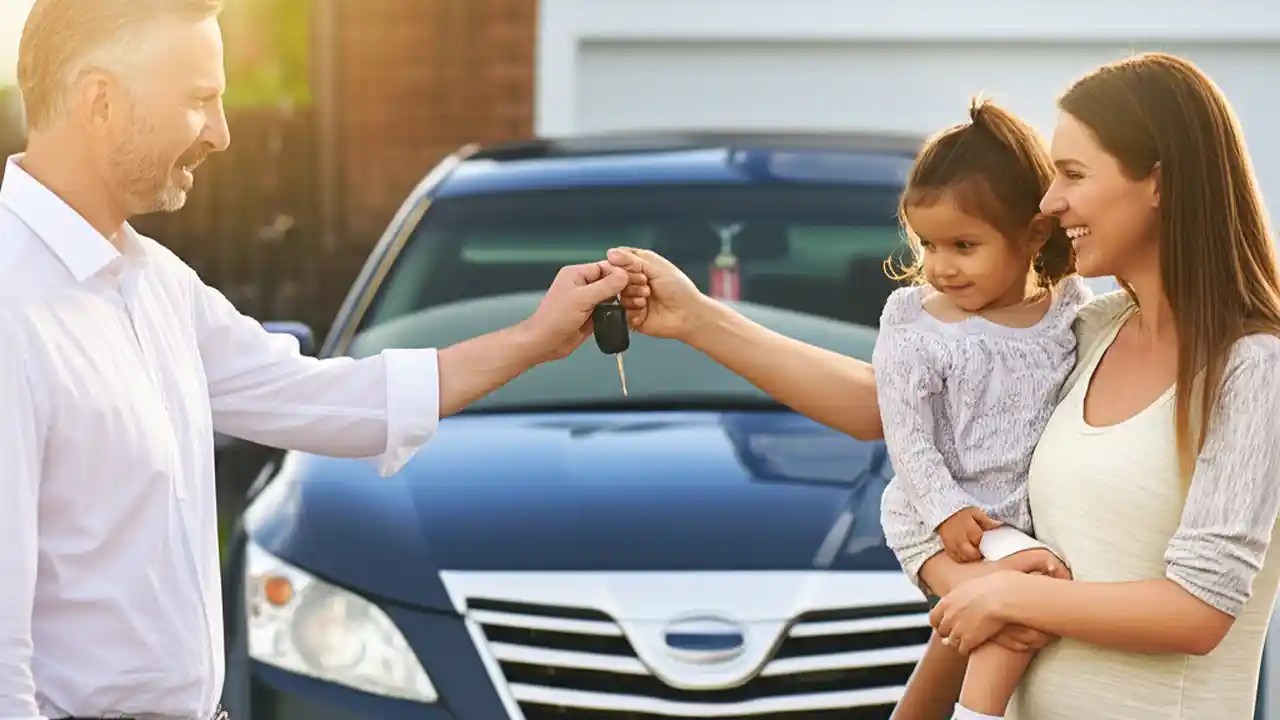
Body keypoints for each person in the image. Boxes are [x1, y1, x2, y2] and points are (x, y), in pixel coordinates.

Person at [0, 2, 629, 719]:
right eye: (200, 100)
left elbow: (332, 401)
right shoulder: (11, 308)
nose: (222, 133)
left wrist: (535, 339)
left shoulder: (156, 283)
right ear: (101, 101)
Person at [609, 51, 1280, 719]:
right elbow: (893, 408)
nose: (1049, 202)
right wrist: (698, 319)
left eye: (1072, 174)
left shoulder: (1254, 368)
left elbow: (1199, 609)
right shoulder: (1095, 331)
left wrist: (1007, 596)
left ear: (1158, 182)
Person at [872, 97, 1087, 720]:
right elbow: (906, 436)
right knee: (1025, 592)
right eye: (929, 244)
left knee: (1006, 615)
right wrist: (946, 511)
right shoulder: (917, 324)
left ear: (1033, 234)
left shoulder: (1070, 311)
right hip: (939, 517)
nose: (939, 267)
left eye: (963, 245)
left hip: (1013, 521)